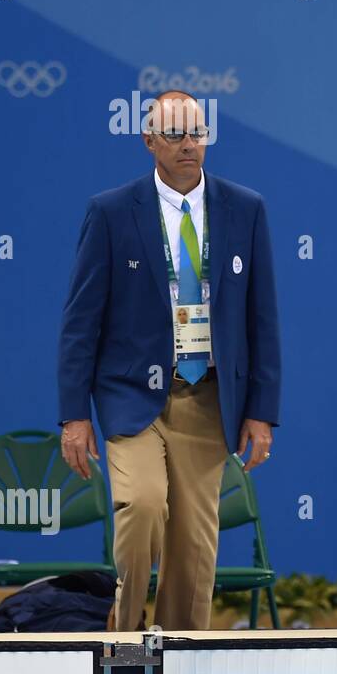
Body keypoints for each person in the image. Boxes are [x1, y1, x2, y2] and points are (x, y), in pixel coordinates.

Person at [58, 90, 281, 630]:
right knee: (141, 506)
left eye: (197, 133)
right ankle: (126, 633)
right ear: (149, 141)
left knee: (195, 543)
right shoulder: (111, 212)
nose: (189, 144)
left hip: (208, 399)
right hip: (131, 396)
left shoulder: (244, 209)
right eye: (176, 134)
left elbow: (263, 318)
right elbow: (80, 320)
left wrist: (261, 412)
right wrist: (74, 415)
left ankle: (181, 653)